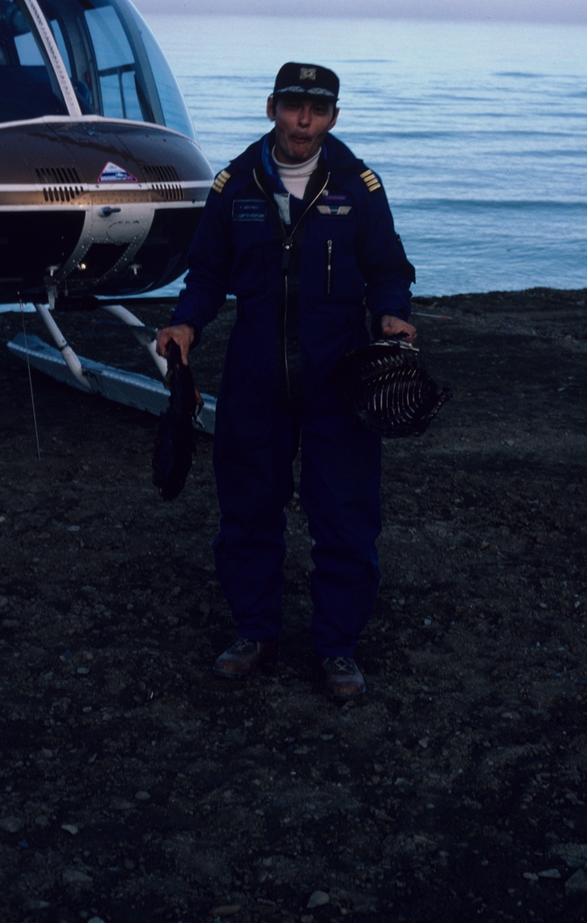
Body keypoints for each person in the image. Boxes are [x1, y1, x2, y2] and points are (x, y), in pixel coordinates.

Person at [156, 62, 416, 701]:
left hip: (340, 381)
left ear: (333, 117)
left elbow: (388, 268)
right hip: (255, 378)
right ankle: (254, 632)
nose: (304, 120)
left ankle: (337, 648)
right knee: (246, 511)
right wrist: (185, 325)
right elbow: (207, 275)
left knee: (346, 519)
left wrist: (393, 316)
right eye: (294, 105)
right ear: (272, 106)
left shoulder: (358, 186)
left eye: (318, 109)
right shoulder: (234, 184)